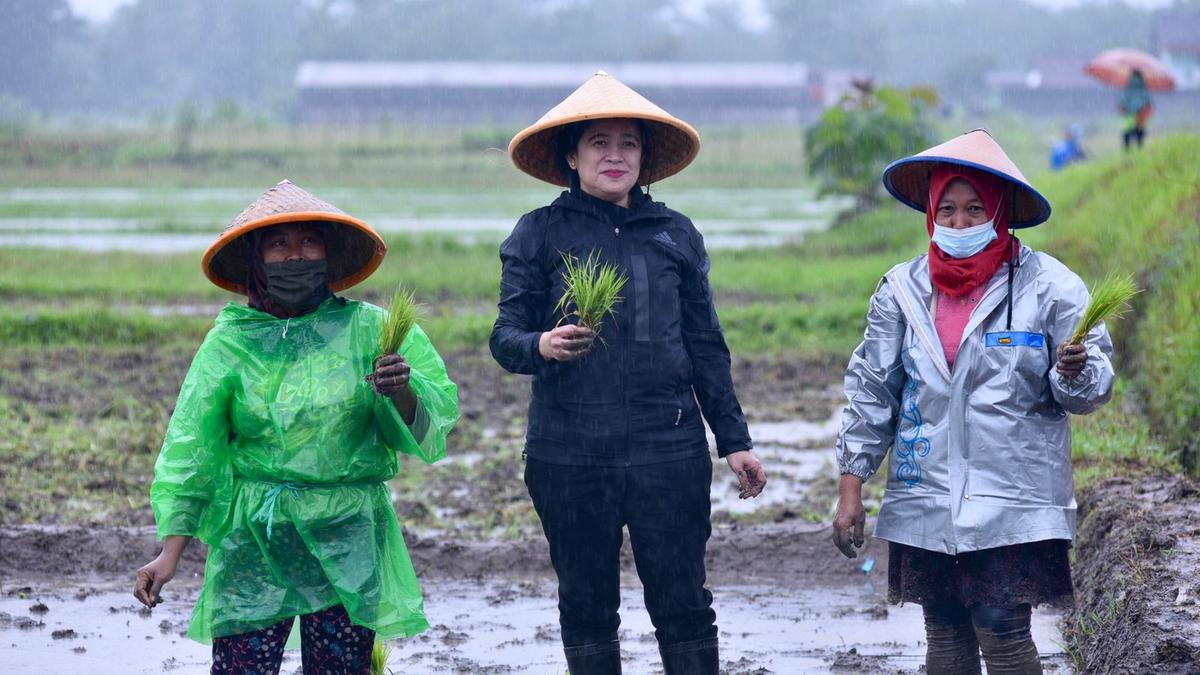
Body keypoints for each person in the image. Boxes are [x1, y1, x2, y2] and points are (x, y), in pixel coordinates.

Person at [491, 71, 767, 675]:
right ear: (571, 155)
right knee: (586, 605)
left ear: (645, 157)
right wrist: (542, 344)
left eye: (629, 143)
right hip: (568, 450)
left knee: (684, 601)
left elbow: (706, 346)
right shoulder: (538, 233)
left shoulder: (674, 233)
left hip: (666, 446)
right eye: (599, 142)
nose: (615, 155)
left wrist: (735, 440)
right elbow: (504, 339)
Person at [133, 180, 459, 674]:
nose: (295, 256)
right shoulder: (231, 343)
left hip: (347, 533)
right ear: (256, 259)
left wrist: (401, 389)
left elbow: (429, 425)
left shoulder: (372, 330)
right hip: (256, 538)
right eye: (279, 243)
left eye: (309, 241)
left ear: (328, 254)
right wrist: (170, 553)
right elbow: (192, 448)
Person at [832, 129, 1114, 674]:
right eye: (949, 211)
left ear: (1000, 211)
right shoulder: (902, 291)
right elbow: (872, 392)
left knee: (1003, 628)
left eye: (974, 210)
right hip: (927, 491)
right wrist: (851, 489)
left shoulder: (1050, 288)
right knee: (945, 630)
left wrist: (1073, 371)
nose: (960, 225)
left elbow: (1090, 388)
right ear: (932, 215)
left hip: (1015, 495)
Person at [1119, 69, 1153, 150]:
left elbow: (1122, 103)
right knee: (1139, 139)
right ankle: (1139, 153)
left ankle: (1127, 153)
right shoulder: (1144, 89)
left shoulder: (1127, 89)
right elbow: (1149, 104)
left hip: (1129, 117)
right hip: (1141, 117)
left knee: (1127, 137)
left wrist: (1127, 109)